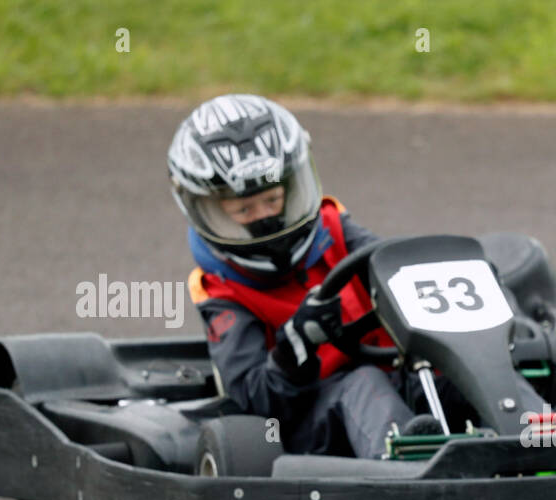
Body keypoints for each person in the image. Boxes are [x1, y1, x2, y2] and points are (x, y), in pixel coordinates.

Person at [168, 93, 430, 457]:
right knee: (364, 383)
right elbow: (254, 401)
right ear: (210, 212)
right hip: (309, 423)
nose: (266, 218)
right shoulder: (223, 293)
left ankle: (530, 442)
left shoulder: (333, 229)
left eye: (273, 200)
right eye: (244, 209)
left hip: (399, 385)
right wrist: (293, 352)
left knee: (441, 369)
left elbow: (397, 267)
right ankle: (414, 473)